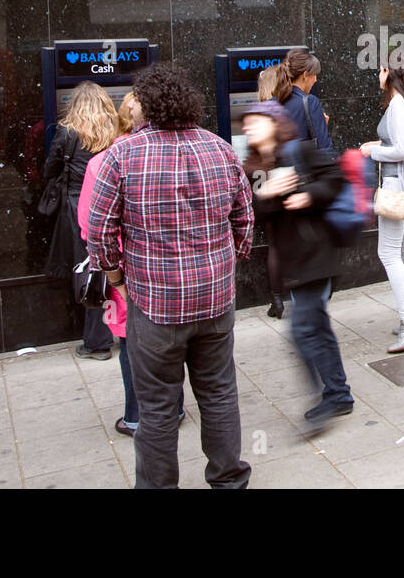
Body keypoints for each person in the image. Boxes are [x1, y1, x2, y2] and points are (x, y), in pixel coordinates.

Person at [86, 62, 253, 489]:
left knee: (157, 408)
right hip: (215, 301)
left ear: (145, 104)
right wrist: (225, 265)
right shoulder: (219, 148)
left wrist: (118, 279)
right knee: (218, 393)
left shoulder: (121, 156)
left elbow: (100, 231)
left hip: (154, 308)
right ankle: (229, 480)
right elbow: (244, 221)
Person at [77, 91, 183, 438]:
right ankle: (175, 407)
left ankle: (137, 416)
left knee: (131, 342)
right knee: (170, 340)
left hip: (127, 269)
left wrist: (114, 275)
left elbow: (90, 226)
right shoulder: (182, 153)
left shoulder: (104, 162)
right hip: (174, 268)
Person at [242, 100, 352, 427]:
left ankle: (332, 397)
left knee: (303, 328)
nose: (249, 128)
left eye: (256, 122)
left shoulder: (299, 151)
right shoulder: (255, 167)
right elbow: (253, 215)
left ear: (275, 124)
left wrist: (308, 194)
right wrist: (265, 195)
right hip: (292, 260)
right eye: (246, 124)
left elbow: (335, 179)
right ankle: (338, 392)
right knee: (316, 326)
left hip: (317, 254)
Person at [360, 50, 404, 353]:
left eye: (381, 70)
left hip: (396, 188)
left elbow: (400, 149)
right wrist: (379, 144)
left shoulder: (399, 105)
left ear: (391, 73)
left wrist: (370, 152)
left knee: (388, 253)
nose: (378, 75)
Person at [45, 81, 118, 360]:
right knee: (116, 265)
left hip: (79, 206)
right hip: (112, 200)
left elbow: (49, 168)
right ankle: (122, 330)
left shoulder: (66, 133)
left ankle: (97, 342)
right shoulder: (114, 129)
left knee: (90, 271)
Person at [257, 65, 287, 317]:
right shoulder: (284, 111)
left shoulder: (255, 112)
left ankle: (276, 299)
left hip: (262, 185)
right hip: (284, 181)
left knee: (274, 245)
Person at [273, 48, 335, 157]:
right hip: (304, 171)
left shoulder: (271, 104)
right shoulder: (310, 102)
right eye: (315, 74)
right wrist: (322, 126)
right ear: (305, 75)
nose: (315, 79)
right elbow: (325, 149)